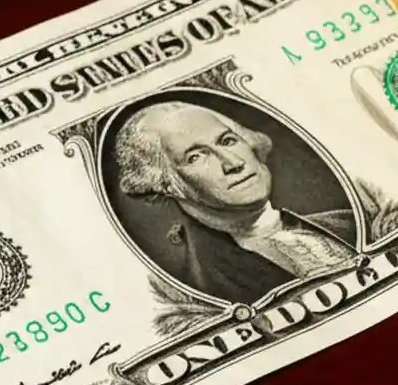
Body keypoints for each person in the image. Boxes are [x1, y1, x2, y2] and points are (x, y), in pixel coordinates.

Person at [114, 100, 359, 304]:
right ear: (162, 183)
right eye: (196, 157)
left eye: (228, 141)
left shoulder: (346, 223)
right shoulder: (203, 288)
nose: (233, 163)